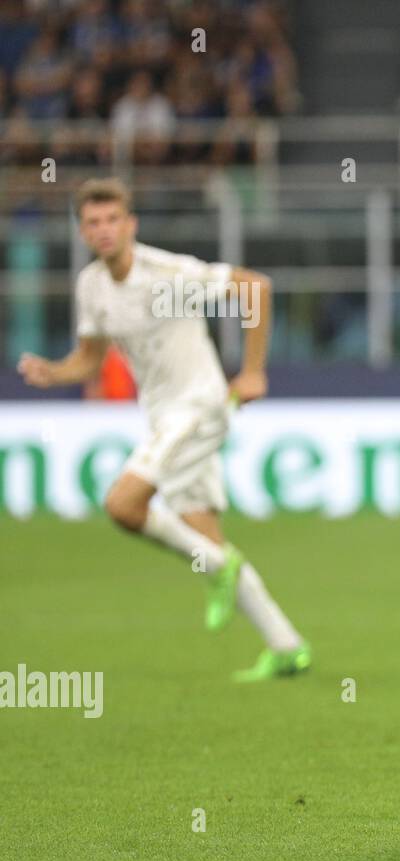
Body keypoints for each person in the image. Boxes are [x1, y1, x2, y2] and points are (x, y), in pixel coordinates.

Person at [17, 177, 310, 682]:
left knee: (123, 504)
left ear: (131, 225)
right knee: (203, 535)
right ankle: (286, 645)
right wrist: (54, 372)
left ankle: (219, 570)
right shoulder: (92, 286)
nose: (104, 230)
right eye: (93, 222)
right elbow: (90, 360)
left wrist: (254, 369)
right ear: (83, 231)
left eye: (113, 220)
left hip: (198, 406)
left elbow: (254, 287)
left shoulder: (166, 275)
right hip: (160, 415)